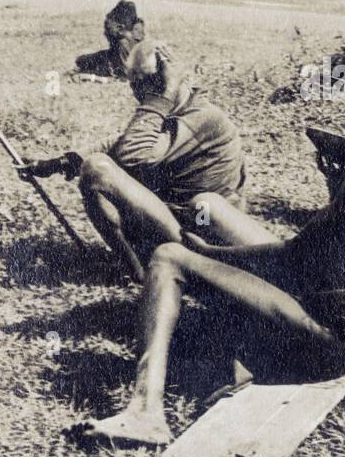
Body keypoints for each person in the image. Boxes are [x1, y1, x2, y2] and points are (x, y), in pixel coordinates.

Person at [86, 88, 345, 446]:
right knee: (210, 206)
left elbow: (293, 261)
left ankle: (145, 413)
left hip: (327, 345)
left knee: (169, 258)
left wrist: (212, 256)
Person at [19, 39, 248, 282]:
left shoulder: (203, 117)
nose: (138, 93)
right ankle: (139, 269)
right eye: (134, 84)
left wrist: (163, 95)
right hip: (189, 225)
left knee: (97, 171)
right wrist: (61, 162)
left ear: (170, 80)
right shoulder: (183, 110)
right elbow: (120, 142)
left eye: (145, 83)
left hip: (206, 241)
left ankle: (139, 274)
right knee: (99, 166)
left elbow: (132, 154)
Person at [73, 0, 146, 79]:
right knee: (82, 60)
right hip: (114, 57)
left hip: (114, 64)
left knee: (83, 61)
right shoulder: (135, 29)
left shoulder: (124, 39)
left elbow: (125, 72)